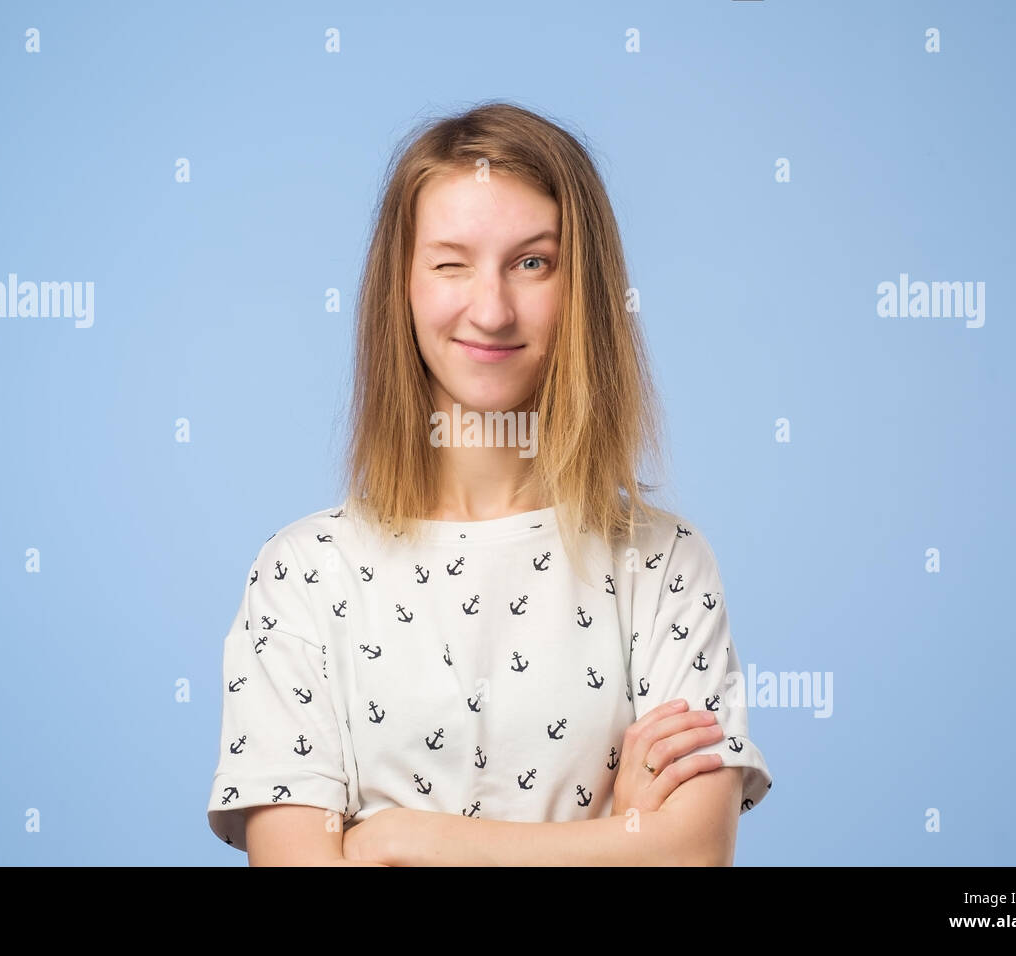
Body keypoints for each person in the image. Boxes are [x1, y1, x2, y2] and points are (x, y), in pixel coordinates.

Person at [206, 102, 772, 865]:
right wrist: (611, 843)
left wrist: (401, 840)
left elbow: (691, 855)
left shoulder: (664, 562)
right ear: (400, 287)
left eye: (532, 262)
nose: (492, 309)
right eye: (450, 263)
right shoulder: (302, 575)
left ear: (584, 290)